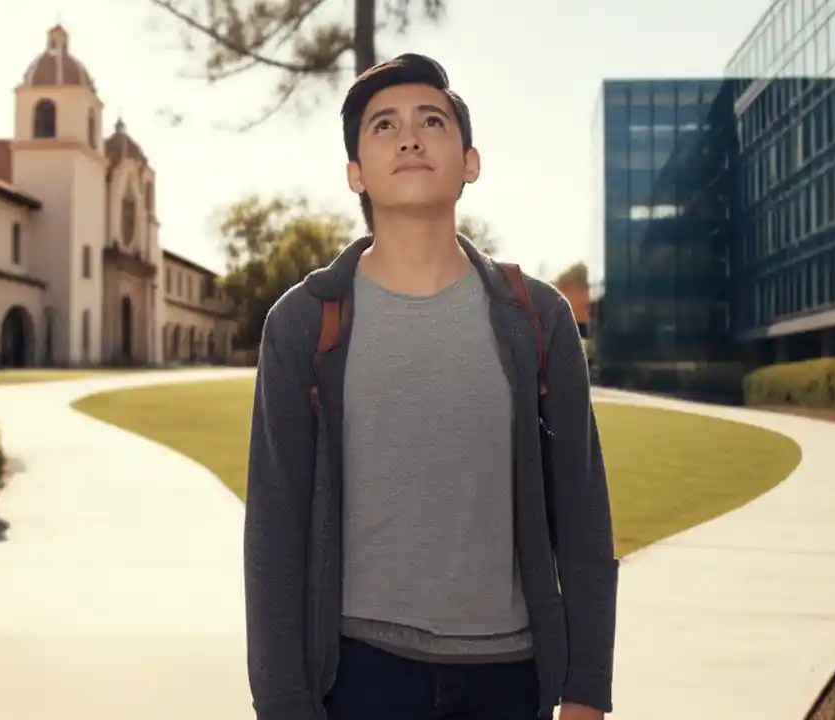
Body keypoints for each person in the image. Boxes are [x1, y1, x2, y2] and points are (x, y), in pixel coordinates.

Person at [243, 52, 618, 720]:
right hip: (356, 678)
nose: (410, 136)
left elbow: (584, 518)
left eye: (432, 121)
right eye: (384, 126)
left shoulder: (537, 318)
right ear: (356, 172)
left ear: (469, 161)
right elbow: (275, 531)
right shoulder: (303, 324)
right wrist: (281, 703)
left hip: (510, 679)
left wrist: (586, 689)